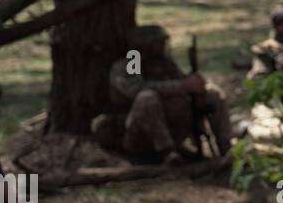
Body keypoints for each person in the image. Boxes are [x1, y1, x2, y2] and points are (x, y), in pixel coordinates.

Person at [95, 25, 232, 163]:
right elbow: (137, 89)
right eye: (157, 43)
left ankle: (226, 150)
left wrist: (195, 85)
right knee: (146, 97)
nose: (162, 46)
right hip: (138, 133)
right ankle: (167, 152)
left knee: (212, 94)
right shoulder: (133, 61)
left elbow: (184, 85)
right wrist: (183, 85)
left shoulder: (165, 64)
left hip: (172, 128)